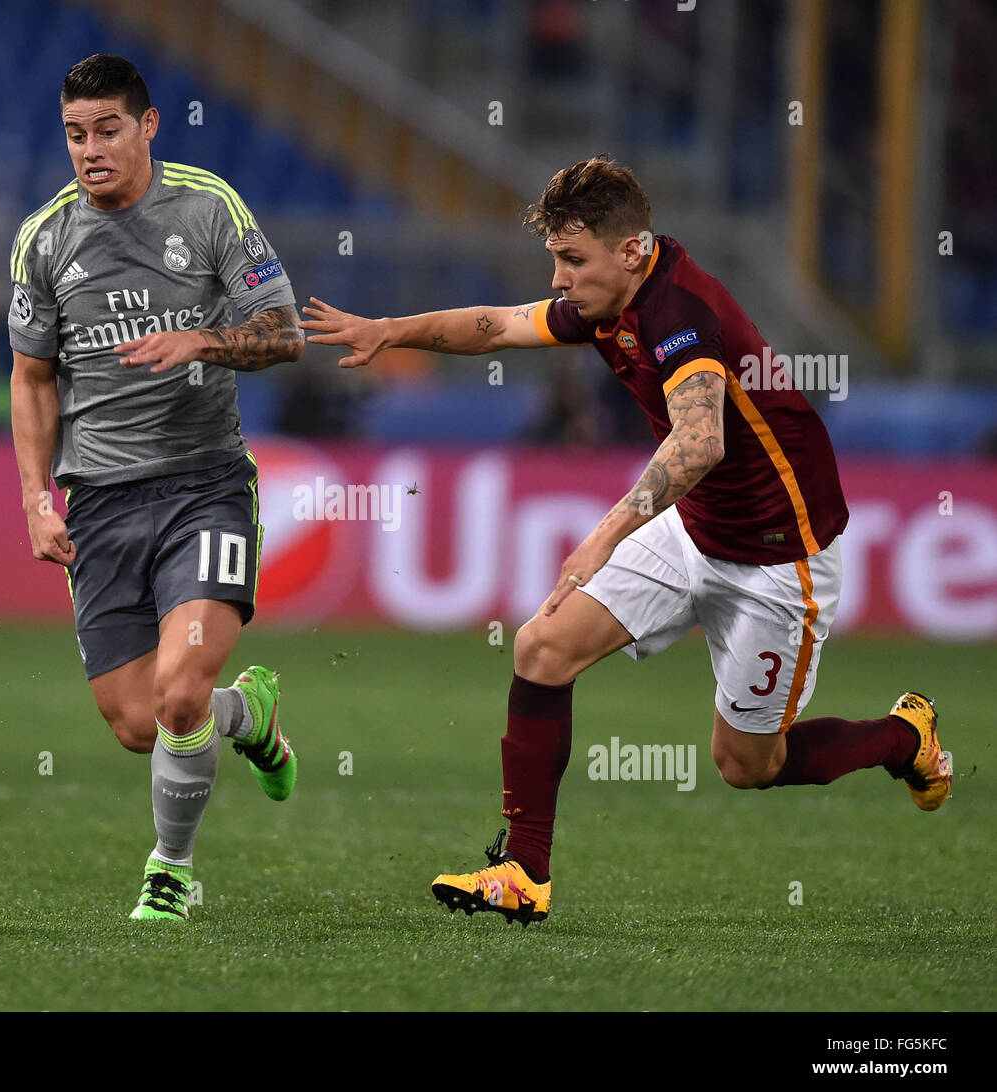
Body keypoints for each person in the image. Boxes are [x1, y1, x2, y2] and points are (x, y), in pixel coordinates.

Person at [300, 155, 951, 925]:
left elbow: (700, 441)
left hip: (781, 559)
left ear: (633, 251)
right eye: (555, 258)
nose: (559, 278)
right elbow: (500, 326)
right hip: (694, 527)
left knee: (748, 766)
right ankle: (523, 872)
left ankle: (902, 738)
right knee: (542, 647)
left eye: (572, 259)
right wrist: (392, 331)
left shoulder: (680, 312)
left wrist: (604, 535)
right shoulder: (608, 300)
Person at [9, 54, 303, 922]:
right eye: (74, 134)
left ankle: (169, 873)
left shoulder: (209, 208)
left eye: (106, 130)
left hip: (204, 485)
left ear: (149, 126)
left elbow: (286, 334)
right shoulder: (45, 239)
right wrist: (34, 497)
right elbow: (31, 379)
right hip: (100, 501)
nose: (89, 150)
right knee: (141, 723)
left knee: (178, 693)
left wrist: (202, 341)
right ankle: (248, 716)